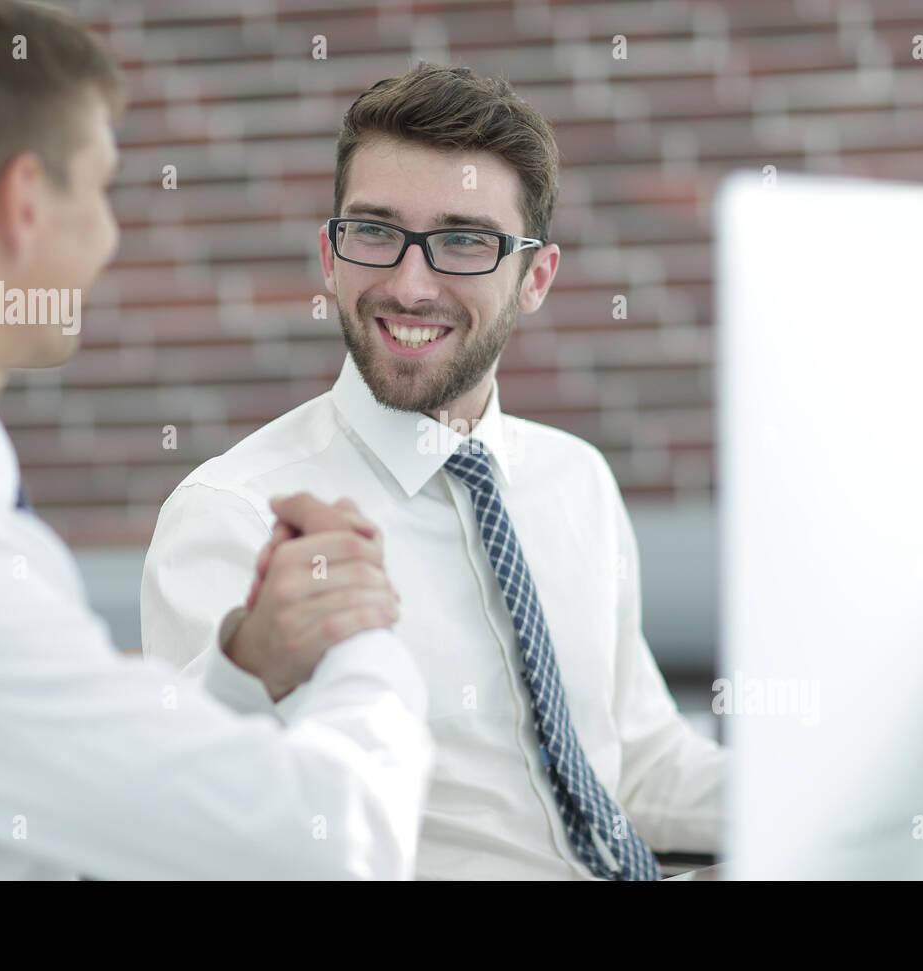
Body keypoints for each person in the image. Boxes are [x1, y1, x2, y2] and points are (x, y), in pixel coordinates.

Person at [0, 0, 432, 880]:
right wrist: (365, 637)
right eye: (103, 187)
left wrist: (245, 670)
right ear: (23, 201)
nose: (111, 236)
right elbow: (331, 844)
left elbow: (45, 771)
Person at [142, 63, 728, 880]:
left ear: (536, 277)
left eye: (464, 241)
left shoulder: (575, 478)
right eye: (375, 232)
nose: (409, 285)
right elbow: (185, 817)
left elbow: (635, 762)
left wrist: (840, 787)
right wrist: (251, 662)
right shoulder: (235, 515)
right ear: (329, 256)